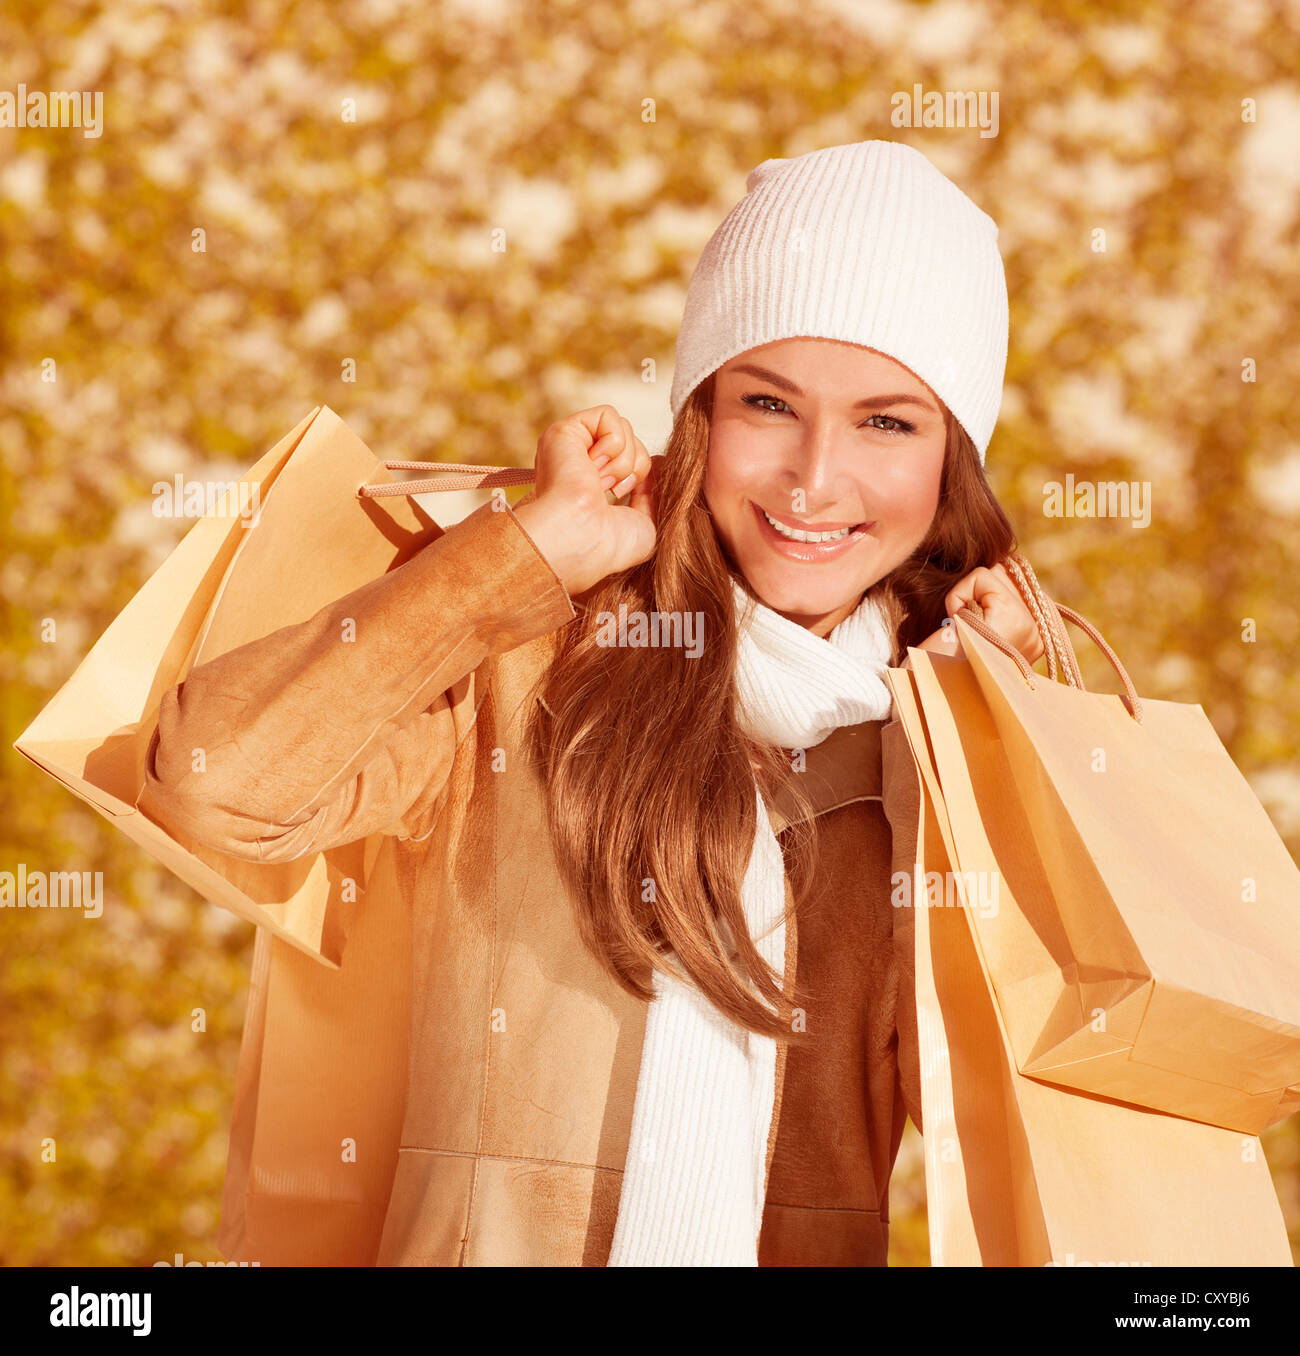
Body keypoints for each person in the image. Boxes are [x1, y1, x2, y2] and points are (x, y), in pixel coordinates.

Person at [139, 139, 1045, 1268]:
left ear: (952, 456)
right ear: (699, 412)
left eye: (886, 422)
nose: (815, 479)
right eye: (769, 403)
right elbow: (213, 785)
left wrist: (1015, 739)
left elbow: (1017, 1086)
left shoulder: (935, 725)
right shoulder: (530, 652)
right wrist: (516, 556)